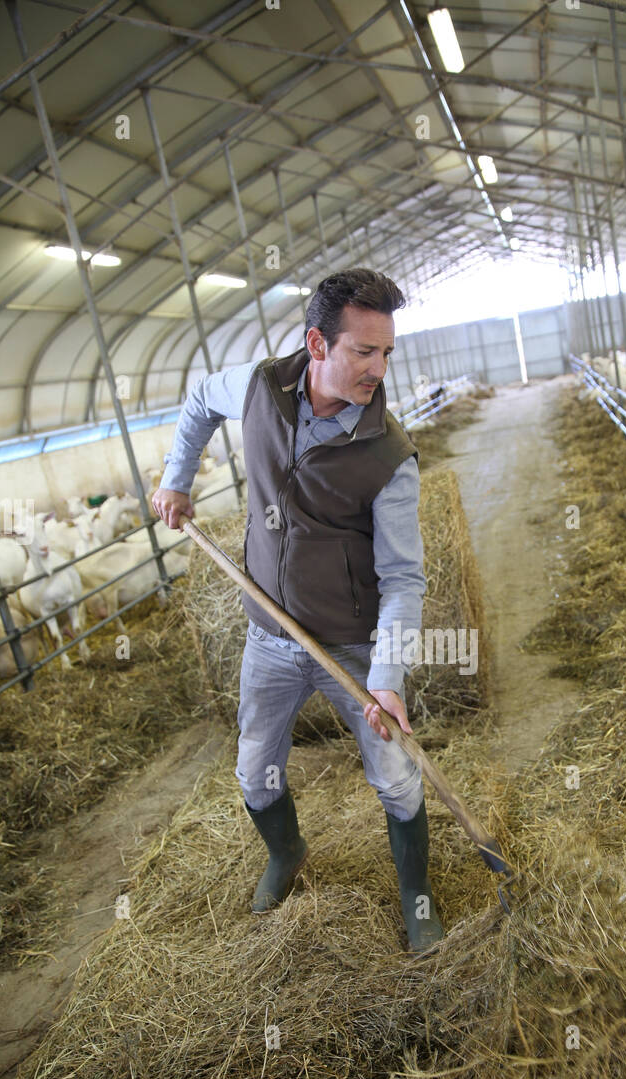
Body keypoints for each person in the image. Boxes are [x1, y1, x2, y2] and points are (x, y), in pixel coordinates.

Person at [151, 268, 444, 953]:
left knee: (398, 778)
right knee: (255, 773)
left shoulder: (388, 456)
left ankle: (417, 896)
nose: (378, 369)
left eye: (387, 353)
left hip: (351, 645)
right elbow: (197, 401)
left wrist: (389, 675)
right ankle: (286, 853)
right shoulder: (257, 389)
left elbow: (404, 577)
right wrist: (175, 480)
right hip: (270, 634)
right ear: (317, 343)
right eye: (362, 351)